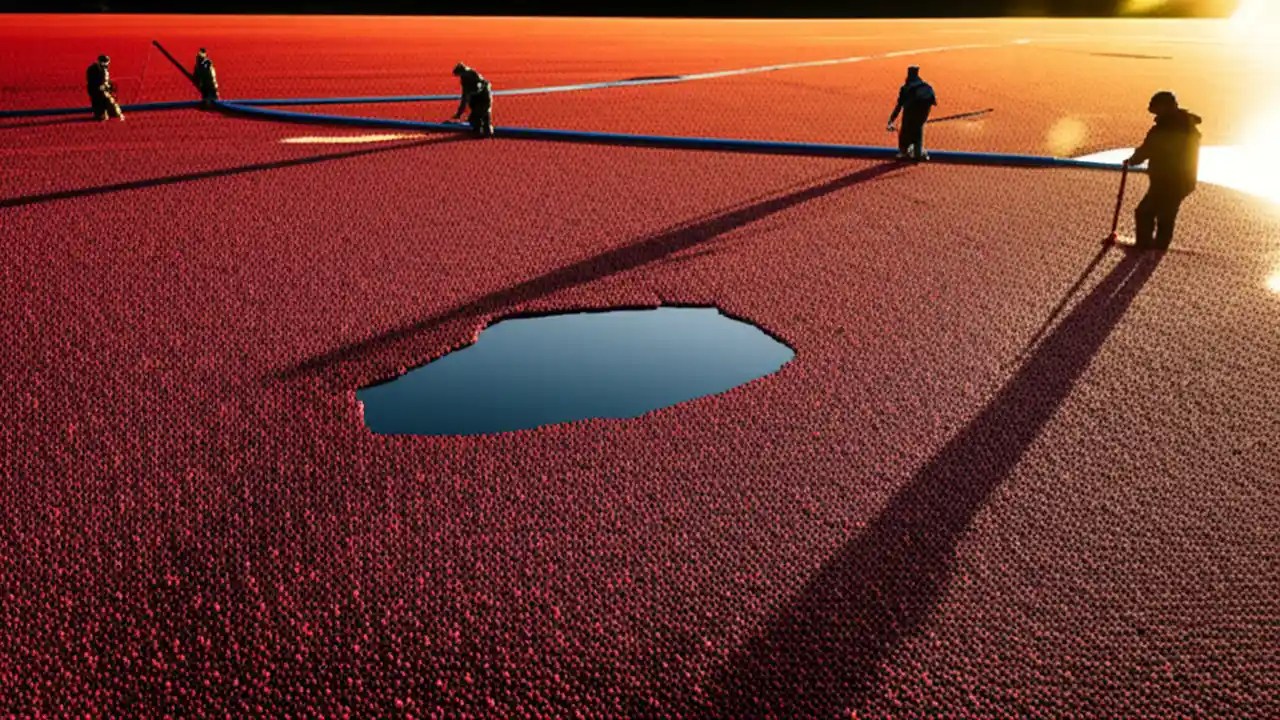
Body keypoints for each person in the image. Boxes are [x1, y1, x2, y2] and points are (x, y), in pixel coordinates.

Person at [1124, 91, 1201, 250]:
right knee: (1165, 214)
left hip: (1168, 180)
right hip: (1182, 180)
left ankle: (1146, 247)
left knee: (1146, 212)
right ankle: (1158, 247)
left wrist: (1133, 161)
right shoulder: (1186, 126)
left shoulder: (1166, 129)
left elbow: (1149, 149)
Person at [886, 66, 936, 161]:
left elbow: (899, 106)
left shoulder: (905, 88)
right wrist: (924, 118)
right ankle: (919, 151)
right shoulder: (926, 87)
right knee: (918, 131)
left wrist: (891, 120)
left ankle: (904, 151)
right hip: (921, 116)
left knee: (905, 130)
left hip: (909, 118)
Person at [450, 62, 493, 137]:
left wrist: (471, 93)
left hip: (483, 98)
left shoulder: (473, 75)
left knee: (479, 116)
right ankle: (483, 131)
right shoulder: (466, 78)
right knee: (481, 117)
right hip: (479, 99)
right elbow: (465, 97)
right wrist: (459, 113)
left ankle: (482, 131)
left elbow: (480, 87)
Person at [86, 54, 124, 122]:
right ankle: (100, 111)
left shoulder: (105, 70)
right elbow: (92, 84)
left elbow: (106, 82)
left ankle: (107, 110)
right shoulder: (92, 70)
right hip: (97, 95)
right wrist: (100, 87)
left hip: (105, 93)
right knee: (102, 117)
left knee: (116, 112)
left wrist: (109, 86)